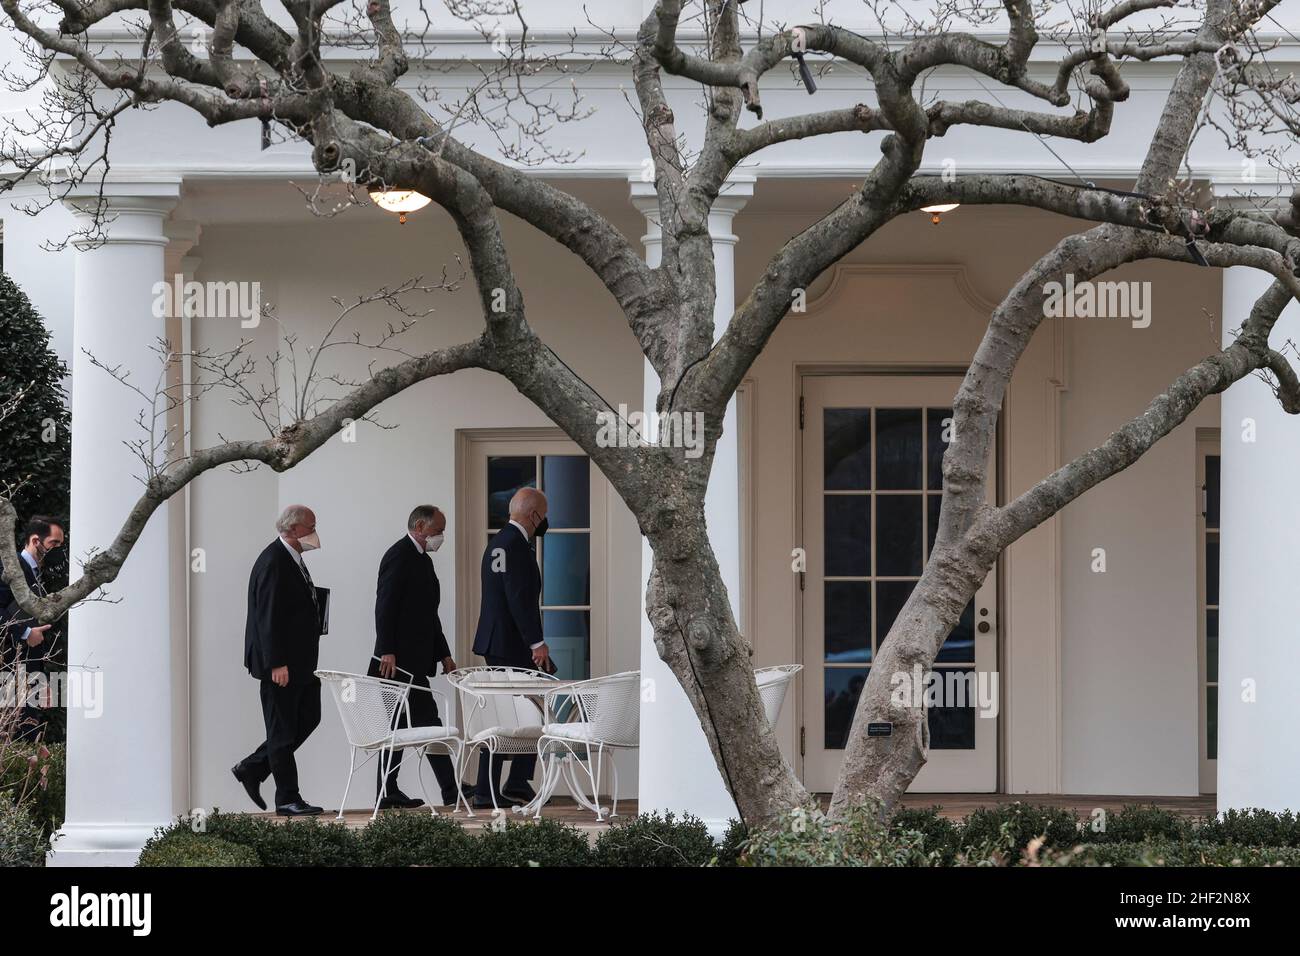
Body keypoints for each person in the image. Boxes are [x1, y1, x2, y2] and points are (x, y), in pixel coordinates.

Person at [367, 505, 470, 809]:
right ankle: (443, 791)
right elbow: (384, 605)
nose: (441, 536)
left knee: (419, 725)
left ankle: (396, 792)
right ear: (421, 526)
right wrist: (386, 649)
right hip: (395, 664)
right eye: (438, 530)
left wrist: (445, 654)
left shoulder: (422, 560)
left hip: (414, 664)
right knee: (409, 726)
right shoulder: (399, 555)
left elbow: (429, 615)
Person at [232, 505, 328, 816]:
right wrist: (276, 663)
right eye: (311, 525)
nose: (315, 530)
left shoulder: (290, 559)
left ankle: (253, 767)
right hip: (281, 665)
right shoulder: (274, 561)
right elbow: (268, 616)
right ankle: (287, 798)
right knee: (282, 730)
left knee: (309, 717)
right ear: (296, 529)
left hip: (300, 662)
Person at [471, 487, 551, 808]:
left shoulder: (499, 543)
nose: (545, 521)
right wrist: (537, 642)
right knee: (514, 714)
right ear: (533, 515)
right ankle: (491, 788)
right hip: (512, 644)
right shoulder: (514, 545)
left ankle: (510, 782)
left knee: (519, 711)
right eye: (544, 516)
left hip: (500, 642)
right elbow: (519, 599)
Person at [0, 516, 63, 741]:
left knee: (27, 731)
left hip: (27, 671)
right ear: (36, 541)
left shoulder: (35, 572)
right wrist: (26, 634)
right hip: (10, 667)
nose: (57, 550)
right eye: (54, 544)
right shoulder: (12, 566)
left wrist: (41, 680)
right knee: (16, 734)